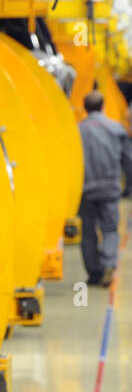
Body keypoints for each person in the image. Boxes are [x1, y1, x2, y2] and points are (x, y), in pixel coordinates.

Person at [77, 91, 132, 287]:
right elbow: (128, 159)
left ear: (84, 107)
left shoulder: (76, 131)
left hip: (85, 190)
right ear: (103, 106)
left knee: (88, 233)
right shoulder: (116, 129)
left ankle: (94, 273)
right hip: (109, 188)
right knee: (110, 229)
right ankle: (108, 264)